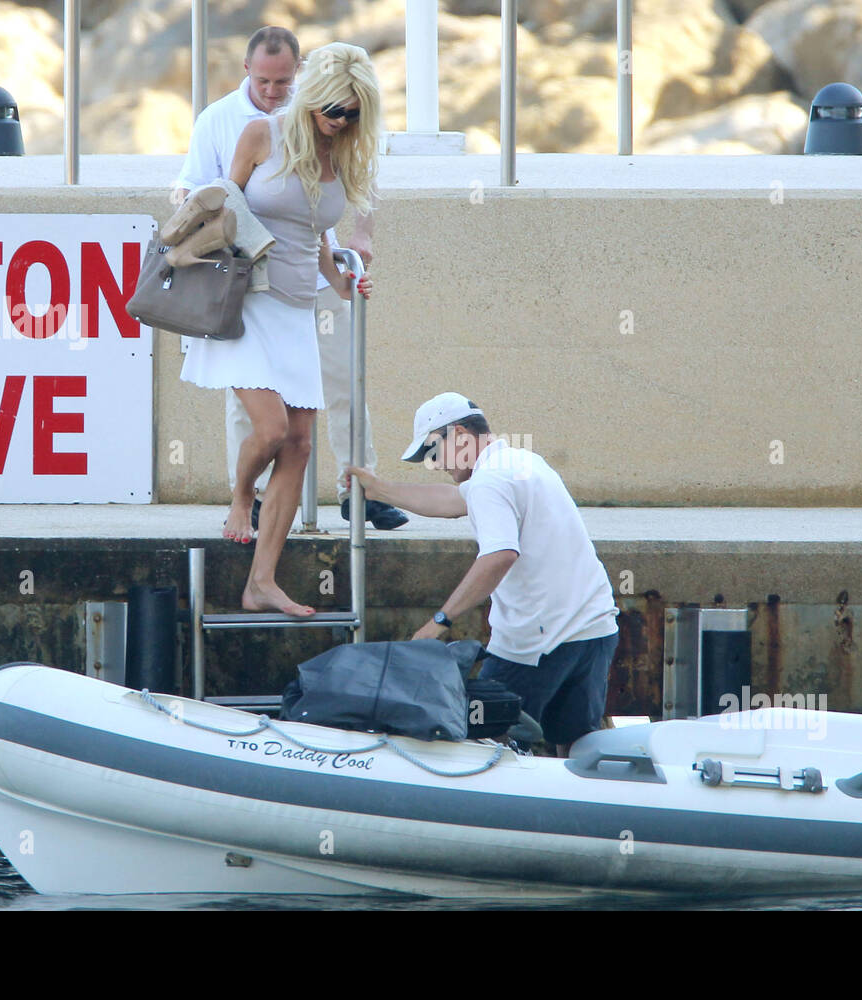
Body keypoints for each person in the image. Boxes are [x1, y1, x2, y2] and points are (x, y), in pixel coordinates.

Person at [174, 26, 407, 539]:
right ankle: (245, 499)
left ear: (299, 74)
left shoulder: (338, 140)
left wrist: (346, 275)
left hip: (307, 290)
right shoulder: (230, 123)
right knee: (263, 419)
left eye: (284, 81)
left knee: (330, 400)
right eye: (264, 80)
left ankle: (356, 492)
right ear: (246, 69)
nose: (274, 91)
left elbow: (330, 216)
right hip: (250, 291)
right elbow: (211, 196)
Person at [343, 393, 620, 753]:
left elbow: (499, 555)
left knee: (479, 743)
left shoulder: (491, 480)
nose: (436, 464)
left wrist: (440, 621)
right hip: (595, 629)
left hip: (536, 642)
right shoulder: (522, 462)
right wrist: (379, 489)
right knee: (574, 749)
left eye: (432, 452)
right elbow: (451, 501)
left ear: (457, 434)